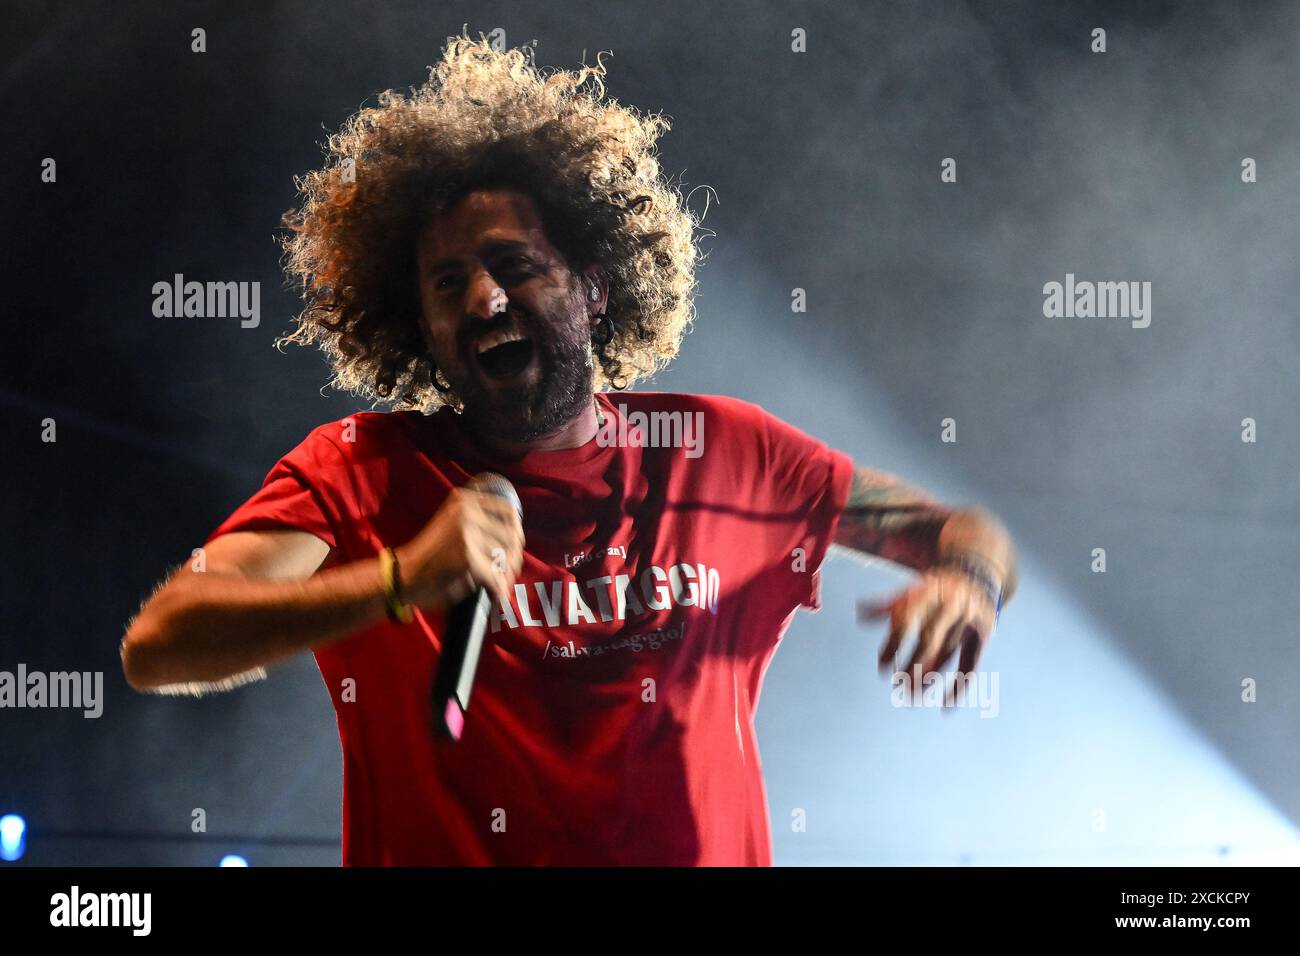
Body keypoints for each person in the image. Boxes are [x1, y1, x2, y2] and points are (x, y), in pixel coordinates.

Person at [120, 33, 1018, 866]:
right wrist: (400, 581)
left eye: (514, 266)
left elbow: (962, 530)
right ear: (420, 328)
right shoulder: (360, 469)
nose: (483, 299)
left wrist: (966, 580)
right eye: (446, 283)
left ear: (593, 288)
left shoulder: (723, 451)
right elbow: (160, 644)